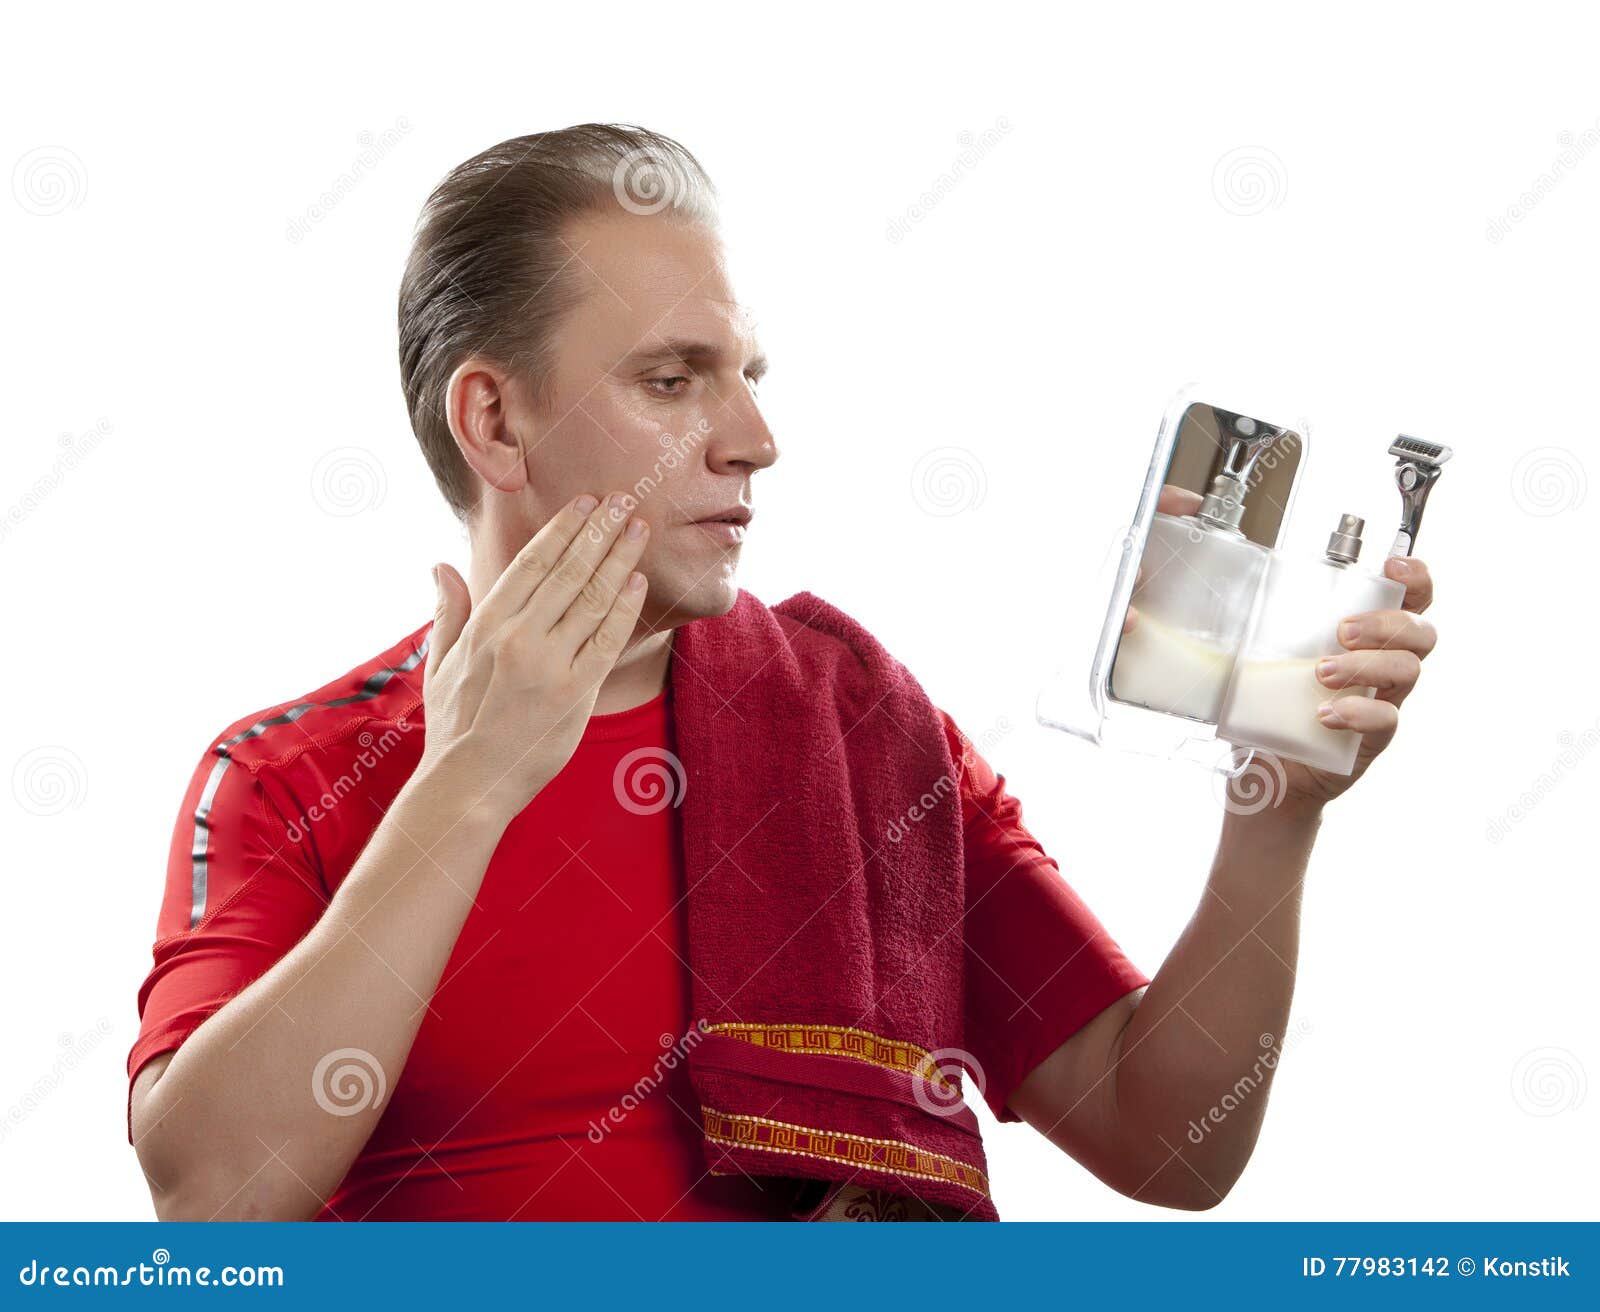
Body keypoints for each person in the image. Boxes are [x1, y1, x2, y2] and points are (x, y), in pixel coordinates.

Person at [126, 125, 1438, 1221]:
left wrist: (1277, 815)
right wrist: (468, 781)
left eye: (746, 374)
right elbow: (209, 1203)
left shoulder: (861, 734)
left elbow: (1171, 1139)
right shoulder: (288, 772)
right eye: (673, 379)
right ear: (495, 419)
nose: (756, 437)